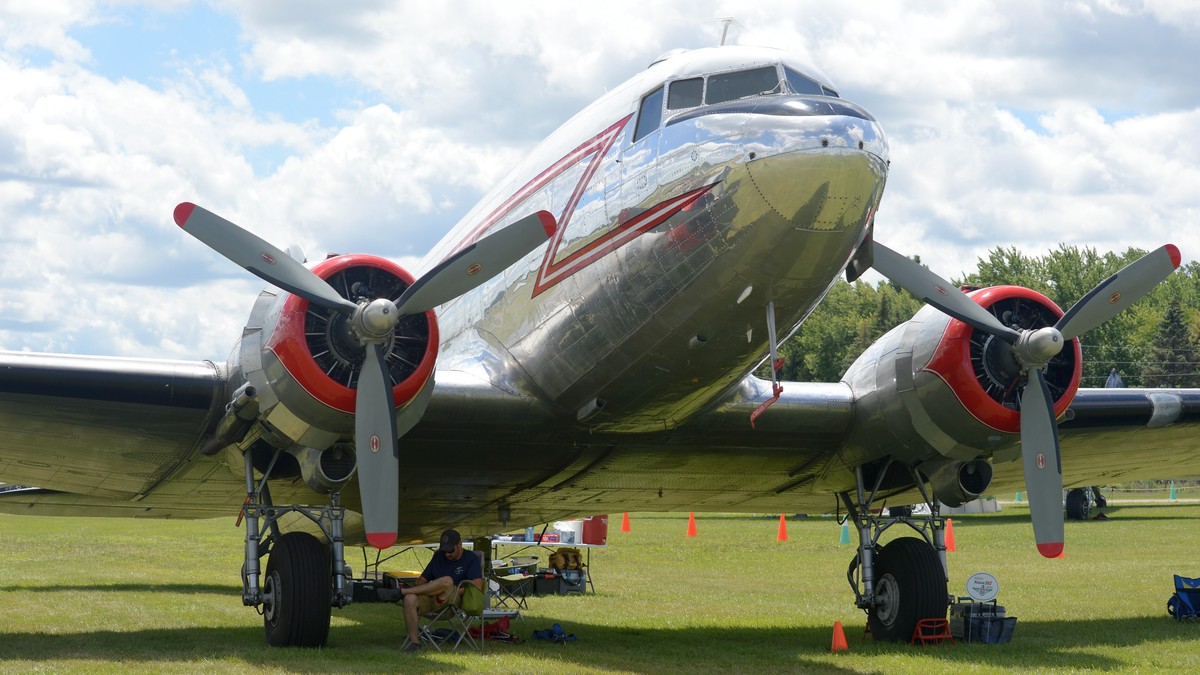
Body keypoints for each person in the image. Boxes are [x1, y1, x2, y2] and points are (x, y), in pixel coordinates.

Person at [379, 529, 483, 652]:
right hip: (431, 599)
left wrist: (452, 590)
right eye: (444, 550)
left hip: (451, 602)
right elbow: (421, 581)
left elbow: (477, 587)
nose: (447, 554)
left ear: (460, 544)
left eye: (451, 550)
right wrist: (434, 588)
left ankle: (401, 592)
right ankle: (414, 643)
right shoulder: (438, 556)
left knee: (447, 581)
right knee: (410, 599)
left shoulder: (471, 559)